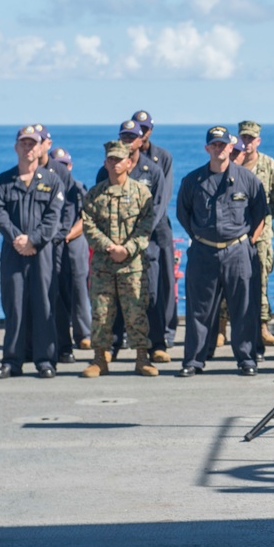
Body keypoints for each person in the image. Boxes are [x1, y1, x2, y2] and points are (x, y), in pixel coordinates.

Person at [175, 125, 268, 377]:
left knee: (244, 308)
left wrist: (249, 240)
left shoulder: (247, 179)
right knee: (199, 310)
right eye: (214, 144)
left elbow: (261, 212)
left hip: (238, 252)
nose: (219, 148)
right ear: (207, 148)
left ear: (231, 147)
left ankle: (246, 359)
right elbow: (183, 213)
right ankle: (194, 361)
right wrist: (198, 236)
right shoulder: (193, 180)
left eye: (223, 144)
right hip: (204, 253)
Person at [0, 125, 66, 379]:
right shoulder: (3, 181)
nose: (28, 148)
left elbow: (53, 217)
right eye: (24, 143)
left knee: (44, 305)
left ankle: (45, 360)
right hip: (13, 251)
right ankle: (12, 360)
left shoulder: (53, 181)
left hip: (42, 251)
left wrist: (32, 240)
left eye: (33, 143)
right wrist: (18, 239)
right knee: (15, 305)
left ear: (41, 146)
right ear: (16, 147)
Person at [80, 140, 157, 378]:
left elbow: (146, 225)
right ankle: (99, 359)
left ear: (129, 163)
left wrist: (128, 248)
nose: (115, 164)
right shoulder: (95, 194)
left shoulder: (141, 193)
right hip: (103, 265)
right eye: (110, 159)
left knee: (136, 312)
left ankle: (142, 358)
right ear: (105, 163)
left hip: (132, 266)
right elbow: (88, 224)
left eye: (119, 159)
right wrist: (108, 247)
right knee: (101, 314)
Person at [97, 120, 169, 364]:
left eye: (132, 137)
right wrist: (114, 245)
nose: (128, 141)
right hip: (114, 248)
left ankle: (156, 345)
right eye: (124, 137)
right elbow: (96, 208)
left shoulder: (153, 171)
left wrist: (134, 242)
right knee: (114, 298)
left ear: (141, 140)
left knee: (150, 295)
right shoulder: (105, 169)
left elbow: (157, 208)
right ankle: (113, 346)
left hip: (146, 243)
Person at [131, 110, 178, 350]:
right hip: (132, 231)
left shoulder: (162, 157)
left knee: (165, 280)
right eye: (137, 129)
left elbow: (164, 195)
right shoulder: (124, 157)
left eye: (145, 129)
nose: (141, 133)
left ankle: (167, 330)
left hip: (158, 227)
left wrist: (147, 226)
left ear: (150, 130)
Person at [238, 120, 274, 350]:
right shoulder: (231, 162)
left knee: (261, 279)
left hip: (262, 233)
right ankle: (222, 326)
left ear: (258, 141)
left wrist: (263, 222)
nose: (246, 142)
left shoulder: (269, 165)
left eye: (250, 138)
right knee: (230, 279)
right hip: (233, 231)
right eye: (243, 137)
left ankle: (263, 326)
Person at [48, 145, 93, 357]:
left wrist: (67, 235)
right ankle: (59, 335)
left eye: (64, 165)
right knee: (56, 289)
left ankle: (84, 334)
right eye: (56, 165)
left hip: (74, 241)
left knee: (79, 287)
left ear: (70, 165)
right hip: (52, 243)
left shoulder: (78, 187)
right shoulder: (46, 186)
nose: (60, 169)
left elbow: (86, 218)